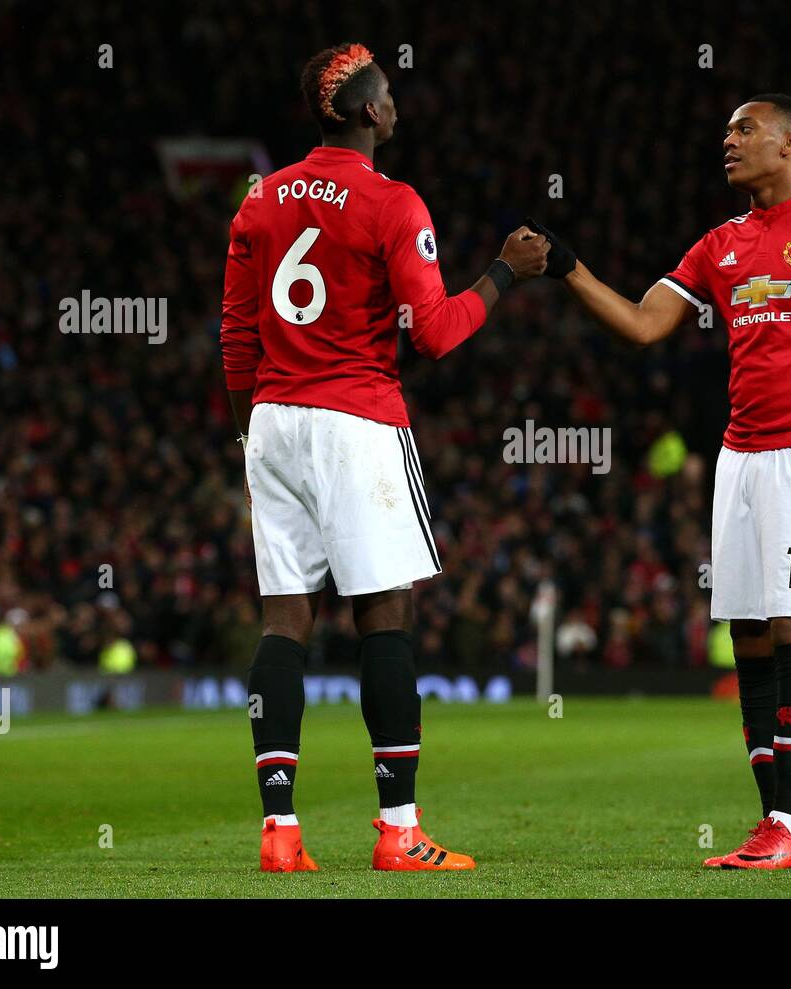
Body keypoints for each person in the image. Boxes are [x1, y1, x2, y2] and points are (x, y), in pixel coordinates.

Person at [528, 94, 791, 869]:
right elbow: (641, 323)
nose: (727, 141)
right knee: (750, 638)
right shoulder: (720, 245)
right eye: (726, 128)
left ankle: (790, 826)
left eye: (745, 129)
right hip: (740, 459)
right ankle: (776, 824)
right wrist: (567, 268)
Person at [219, 42, 549, 873]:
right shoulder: (393, 201)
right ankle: (399, 831)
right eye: (390, 94)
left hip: (272, 418)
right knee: (384, 614)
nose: (397, 105)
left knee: (284, 618)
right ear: (368, 111)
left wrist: (244, 433)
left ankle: (280, 833)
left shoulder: (260, 201)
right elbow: (436, 333)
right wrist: (504, 275)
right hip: (356, 418)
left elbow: (234, 336)